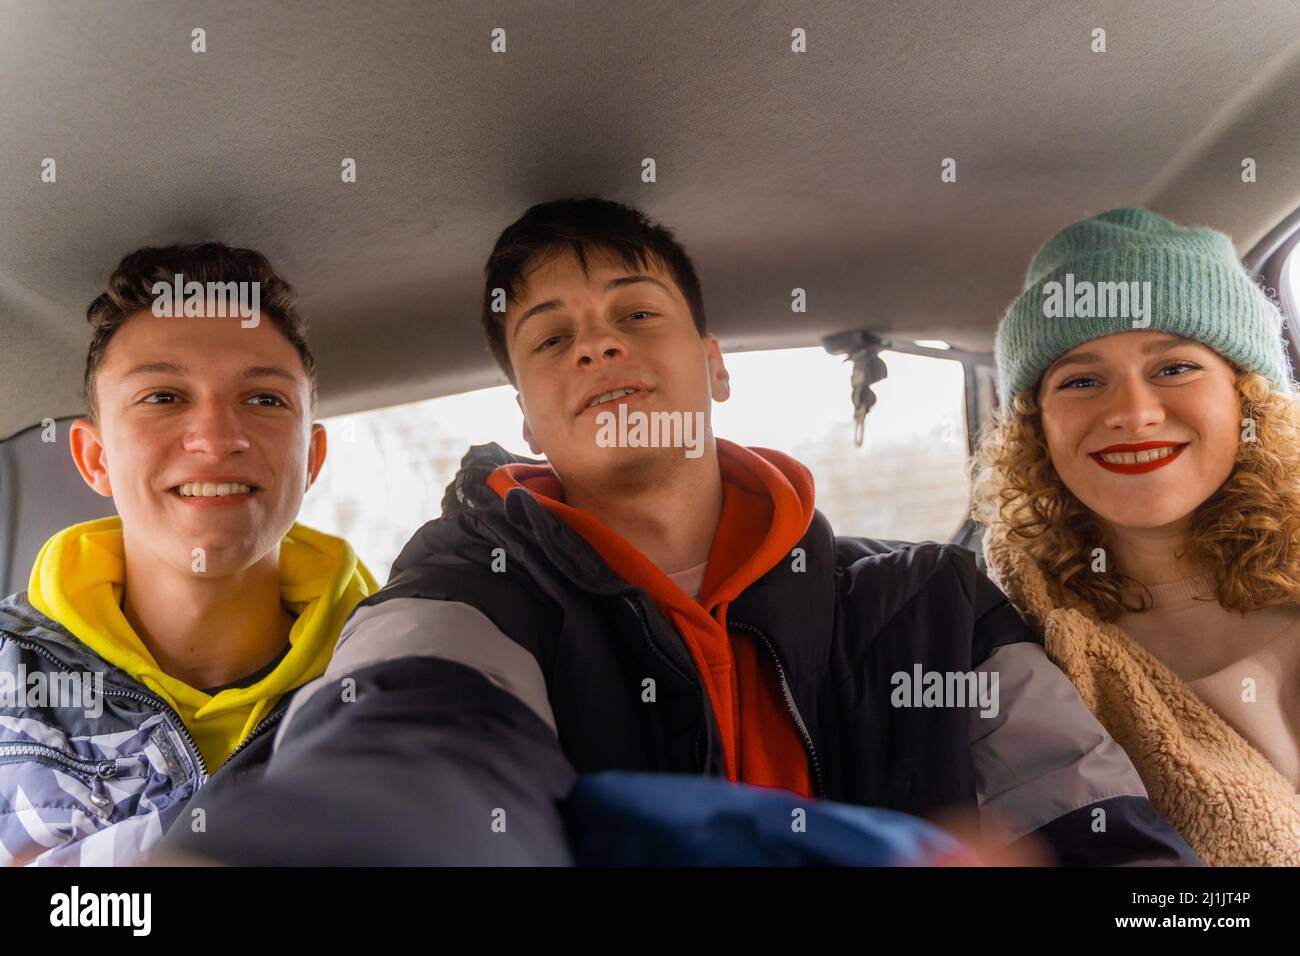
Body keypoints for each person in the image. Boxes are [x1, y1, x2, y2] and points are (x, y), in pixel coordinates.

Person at [165, 199, 1196, 866]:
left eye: (636, 313)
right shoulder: (467, 586)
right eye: (552, 336)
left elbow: (1091, 816)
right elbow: (412, 730)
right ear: (525, 412)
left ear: (714, 365)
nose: (599, 342)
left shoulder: (928, 598)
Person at [0, 243, 376, 865]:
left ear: (310, 459)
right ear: (96, 459)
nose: (216, 439)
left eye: (263, 399)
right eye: (163, 397)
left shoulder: (402, 668)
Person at [974, 207, 1300, 864]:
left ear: (1247, 395)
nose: (1132, 413)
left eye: (1175, 368)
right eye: (1082, 380)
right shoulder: (1006, 637)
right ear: (1038, 427)